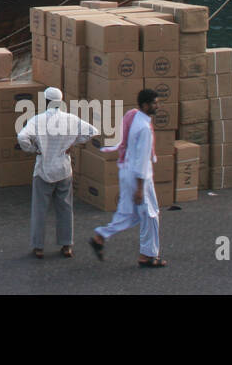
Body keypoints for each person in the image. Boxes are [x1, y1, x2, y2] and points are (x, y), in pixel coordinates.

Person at [17, 87, 100, 259]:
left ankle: (38, 247)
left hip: (43, 169)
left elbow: (22, 137)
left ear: (45, 101)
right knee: (65, 208)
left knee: (40, 210)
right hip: (63, 169)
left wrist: (33, 149)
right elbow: (92, 131)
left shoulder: (37, 120)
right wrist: (73, 142)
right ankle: (66, 245)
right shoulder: (70, 119)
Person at [90, 89, 166, 267]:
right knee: (150, 215)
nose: (158, 106)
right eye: (155, 103)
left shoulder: (133, 116)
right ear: (146, 105)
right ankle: (147, 256)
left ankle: (100, 236)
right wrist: (140, 188)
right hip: (139, 177)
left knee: (129, 213)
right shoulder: (145, 129)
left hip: (126, 171)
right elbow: (142, 160)